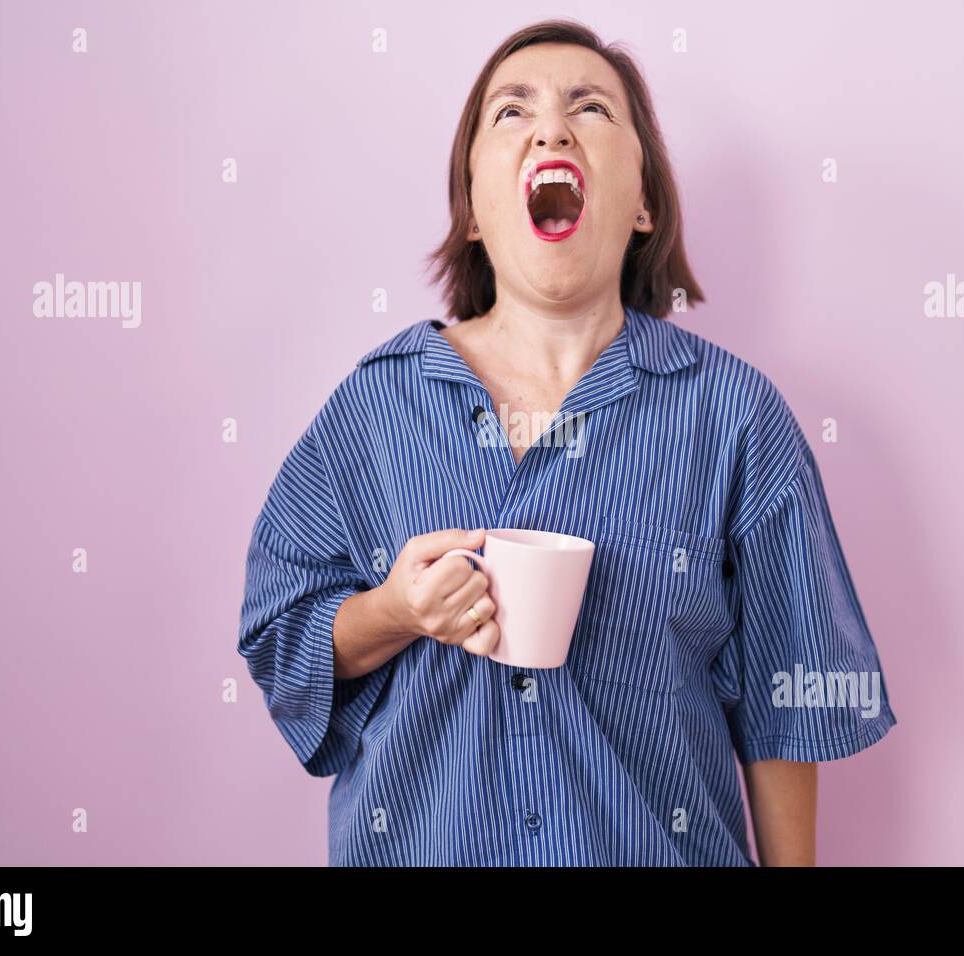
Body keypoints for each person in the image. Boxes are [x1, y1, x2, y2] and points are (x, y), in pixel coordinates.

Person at [237, 18, 896, 866]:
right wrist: (395, 613)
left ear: (644, 201)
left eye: (590, 108)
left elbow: (789, 701)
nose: (551, 126)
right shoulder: (373, 409)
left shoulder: (734, 418)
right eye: (512, 113)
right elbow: (277, 641)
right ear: (473, 210)